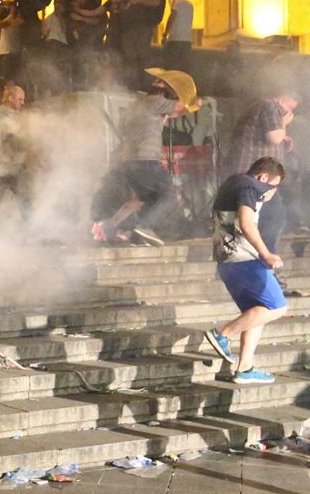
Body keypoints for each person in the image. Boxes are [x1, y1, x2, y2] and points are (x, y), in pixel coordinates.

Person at [203, 157, 287, 384]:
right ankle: (223, 335)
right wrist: (266, 254)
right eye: (273, 186)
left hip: (227, 262)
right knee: (277, 307)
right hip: (244, 259)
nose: (272, 193)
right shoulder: (250, 185)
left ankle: (245, 367)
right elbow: (246, 223)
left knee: (256, 311)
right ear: (264, 177)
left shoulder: (234, 183)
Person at [90, 68, 196, 246]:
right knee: (168, 194)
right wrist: (195, 103)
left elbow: (172, 113)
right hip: (146, 161)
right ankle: (143, 226)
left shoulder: (136, 105)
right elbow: (180, 107)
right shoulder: (156, 102)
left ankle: (110, 227)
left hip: (128, 161)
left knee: (137, 200)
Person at [224, 91, 300, 256]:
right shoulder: (269, 106)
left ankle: (260, 257)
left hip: (257, 178)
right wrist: (283, 124)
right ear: (283, 98)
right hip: (253, 177)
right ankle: (266, 258)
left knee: (267, 219)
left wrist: (283, 140)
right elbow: (274, 137)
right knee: (275, 219)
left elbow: (271, 139)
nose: (289, 113)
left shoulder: (265, 108)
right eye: (289, 108)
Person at [0, 84, 31, 215]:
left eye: (23, 100)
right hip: (6, 164)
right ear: (11, 98)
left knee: (23, 199)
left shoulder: (18, 115)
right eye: (20, 99)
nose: (23, 103)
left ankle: (28, 220)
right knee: (1, 198)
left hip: (16, 164)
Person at [120, 0, 165, 85]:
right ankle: (132, 85)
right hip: (129, 29)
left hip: (143, 29)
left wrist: (138, 0)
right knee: (130, 59)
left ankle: (145, 84)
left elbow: (155, 1)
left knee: (143, 57)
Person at [162, 0, 194, 73]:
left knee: (171, 68)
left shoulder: (177, 1)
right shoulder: (190, 5)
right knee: (183, 70)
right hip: (187, 42)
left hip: (175, 40)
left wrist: (165, 35)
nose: (169, 1)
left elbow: (172, 17)